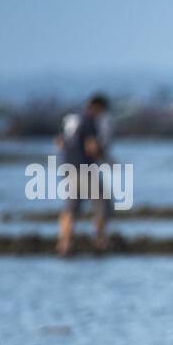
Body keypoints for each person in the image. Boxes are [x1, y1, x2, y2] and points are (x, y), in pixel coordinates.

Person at [55, 94, 112, 256]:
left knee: (71, 208)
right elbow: (91, 147)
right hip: (84, 169)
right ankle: (100, 241)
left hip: (68, 168)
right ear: (98, 107)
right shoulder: (89, 120)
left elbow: (59, 142)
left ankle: (64, 244)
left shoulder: (72, 120)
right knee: (103, 205)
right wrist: (108, 160)